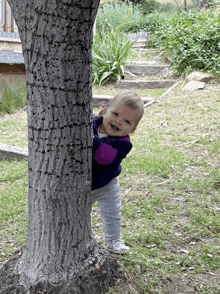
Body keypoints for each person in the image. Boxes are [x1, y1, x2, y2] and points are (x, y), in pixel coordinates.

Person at [91, 90, 144, 254]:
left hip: (107, 185)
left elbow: (103, 157)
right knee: (81, 215)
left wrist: (91, 140)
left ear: (132, 129)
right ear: (104, 111)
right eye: (115, 114)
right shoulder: (92, 123)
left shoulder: (123, 144)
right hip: (86, 186)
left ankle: (114, 240)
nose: (118, 122)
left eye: (127, 121)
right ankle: (86, 238)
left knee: (112, 214)